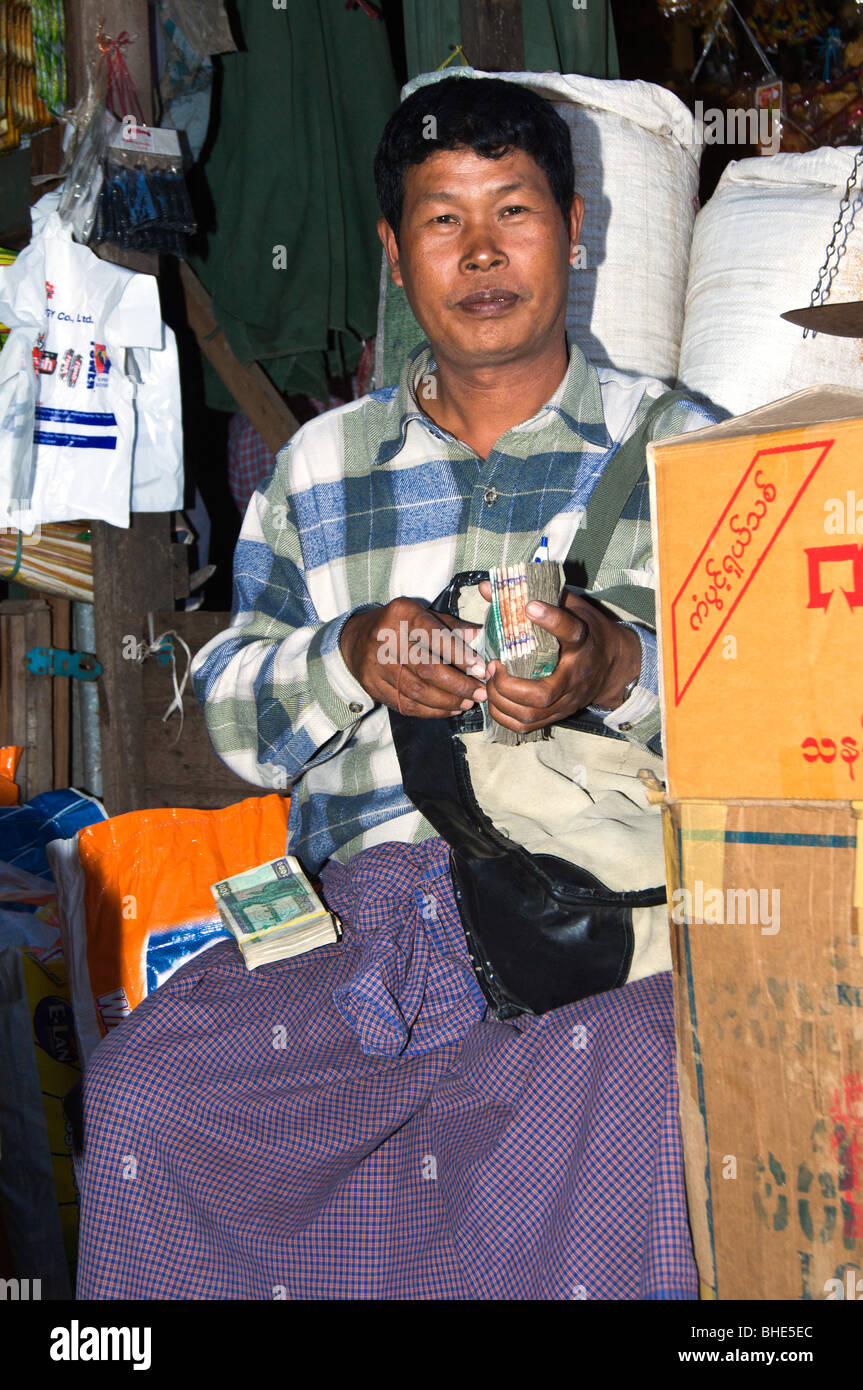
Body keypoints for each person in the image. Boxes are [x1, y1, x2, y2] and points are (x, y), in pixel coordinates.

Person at [75, 75, 723, 1300]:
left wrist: (607, 663)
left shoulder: (683, 447)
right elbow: (229, 714)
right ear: (392, 250)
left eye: (513, 211)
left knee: (644, 1082)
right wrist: (350, 654)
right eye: (441, 219)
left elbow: (764, 704)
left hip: (589, 919)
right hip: (354, 924)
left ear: (573, 230)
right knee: (146, 1094)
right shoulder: (318, 467)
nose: (480, 254)